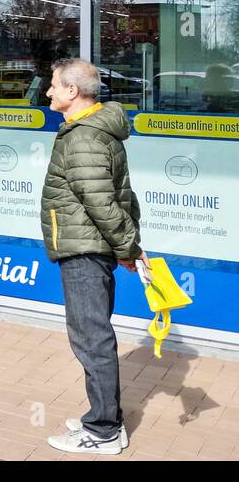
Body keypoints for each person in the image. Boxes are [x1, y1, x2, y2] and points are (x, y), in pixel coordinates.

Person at [41, 57, 143, 456]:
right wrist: (126, 245)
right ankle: (102, 417)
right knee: (92, 336)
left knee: (91, 339)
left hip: (85, 250)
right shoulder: (94, 130)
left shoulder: (84, 137)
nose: (47, 91)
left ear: (72, 91)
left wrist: (128, 247)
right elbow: (122, 196)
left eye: (53, 85)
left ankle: (103, 430)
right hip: (91, 246)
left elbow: (101, 202)